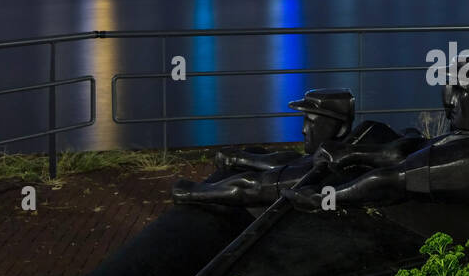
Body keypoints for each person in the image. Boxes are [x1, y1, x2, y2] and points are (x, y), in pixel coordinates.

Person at [283, 53, 469, 242]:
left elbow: (389, 182)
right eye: (450, 89)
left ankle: (274, 181)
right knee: (372, 132)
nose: (450, 101)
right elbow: (412, 150)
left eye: (462, 90)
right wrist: (353, 153)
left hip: (416, 238)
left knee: (298, 181)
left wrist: (323, 199)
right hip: (418, 213)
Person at [172, 88, 420, 207]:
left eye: (311, 122)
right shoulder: (367, 133)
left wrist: (196, 192)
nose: (303, 130)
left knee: (281, 176)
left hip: (325, 182)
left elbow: (253, 186)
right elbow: (291, 161)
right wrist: (242, 158)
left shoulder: (330, 165)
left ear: (340, 128)